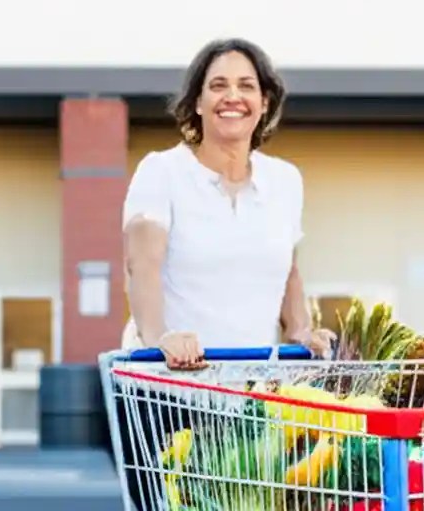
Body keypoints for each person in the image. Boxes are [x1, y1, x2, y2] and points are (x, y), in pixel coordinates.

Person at [114, 38, 336, 508]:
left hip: (250, 399)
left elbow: (287, 269)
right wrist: (161, 338)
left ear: (265, 102)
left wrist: (301, 330)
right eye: (217, 85)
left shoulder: (285, 181)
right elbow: (142, 264)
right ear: (197, 102)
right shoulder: (162, 172)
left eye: (245, 86)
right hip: (169, 397)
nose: (231, 96)